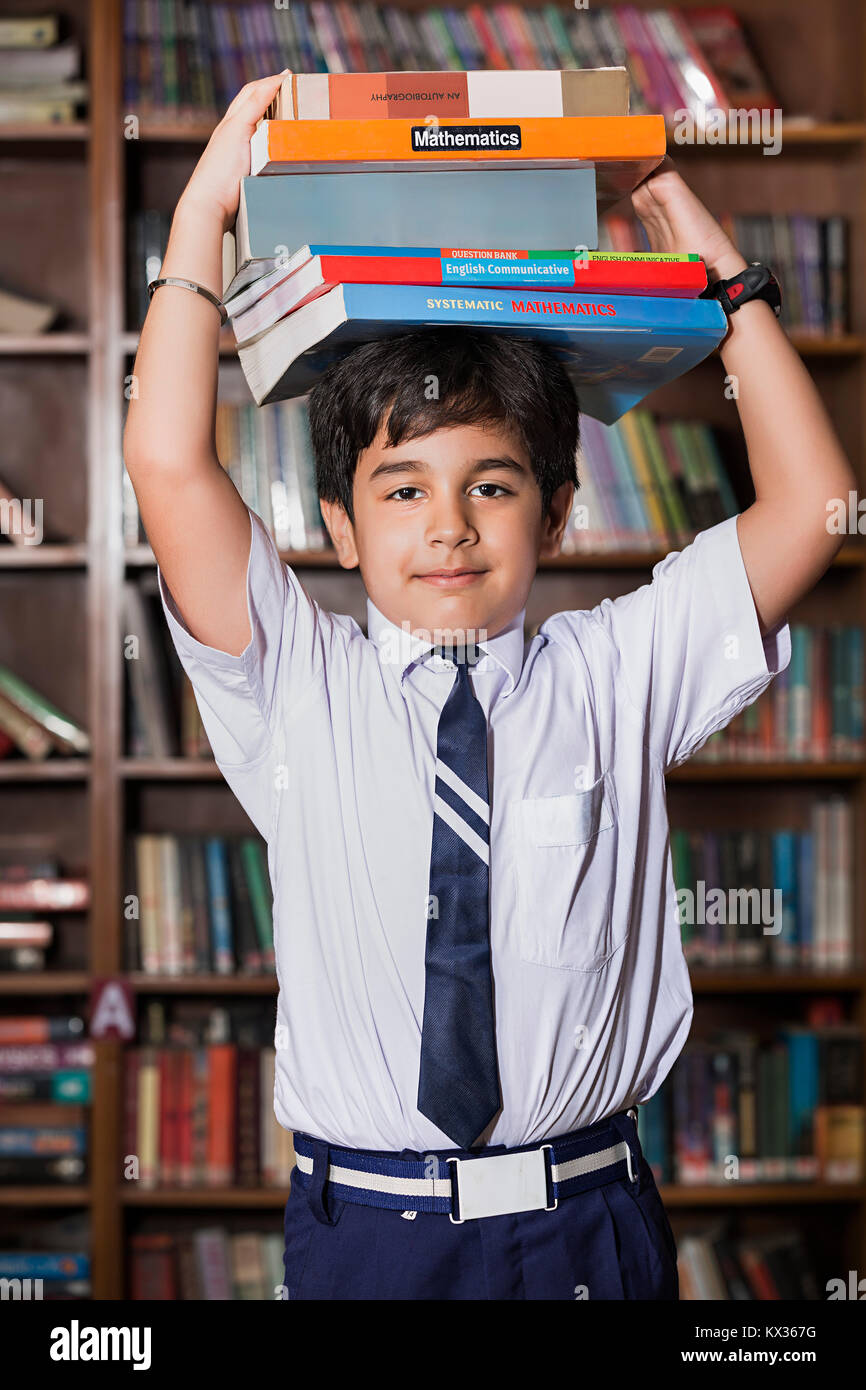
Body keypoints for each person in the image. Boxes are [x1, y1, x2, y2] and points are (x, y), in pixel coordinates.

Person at [123, 74, 855, 1300]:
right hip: (370, 1237)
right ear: (339, 529)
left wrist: (700, 244)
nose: (448, 526)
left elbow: (814, 507)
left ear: (557, 516)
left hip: (588, 1225)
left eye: (493, 486)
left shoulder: (616, 670)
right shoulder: (293, 679)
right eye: (401, 489)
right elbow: (164, 456)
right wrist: (203, 216)